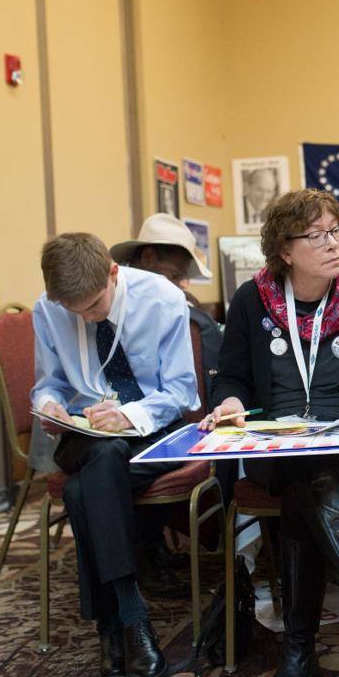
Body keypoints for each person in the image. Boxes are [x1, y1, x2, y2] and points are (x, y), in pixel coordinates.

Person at [202, 188, 339, 677]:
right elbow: (233, 375)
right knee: (300, 467)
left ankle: (298, 651)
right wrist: (229, 402)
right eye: (317, 235)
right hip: (278, 441)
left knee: (303, 482)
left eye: (337, 230)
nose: (334, 244)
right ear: (285, 250)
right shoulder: (253, 301)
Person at [32, 233, 199, 677]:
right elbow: (49, 383)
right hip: (82, 434)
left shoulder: (162, 298)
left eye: (94, 306)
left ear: (113, 272)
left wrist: (127, 414)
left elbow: (183, 392)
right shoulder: (47, 309)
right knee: (100, 454)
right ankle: (134, 617)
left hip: (150, 430)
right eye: (76, 311)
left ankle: (112, 632)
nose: (86, 317)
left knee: (81, 489)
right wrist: (49, 405)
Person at [111, 213, 231, 596]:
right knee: (134, 457)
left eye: (183, 278)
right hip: (111, 423)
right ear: (146, 257)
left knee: (160, 441)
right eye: (175, 273)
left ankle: (149, 547)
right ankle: (139, 552)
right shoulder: (110, 307)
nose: (179, 284)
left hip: (161, 418)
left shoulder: (173, 303)